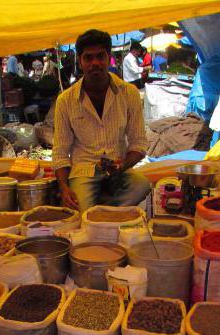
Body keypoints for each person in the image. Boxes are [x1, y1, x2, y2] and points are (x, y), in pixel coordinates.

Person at [52, 29, 150, 211]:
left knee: (143, 185)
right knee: (80, 208)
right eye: (88, 58)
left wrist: (123, 164)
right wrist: (64, 188)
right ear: (80, 62)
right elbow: (60, 153)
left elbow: (139, 143)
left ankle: (104, 213)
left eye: (100, 56)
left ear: (109, 57)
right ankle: (106, 213)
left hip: (119, 169)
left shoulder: (129, 93)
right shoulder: (65, 100)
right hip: (83, 171)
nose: (95, 63)